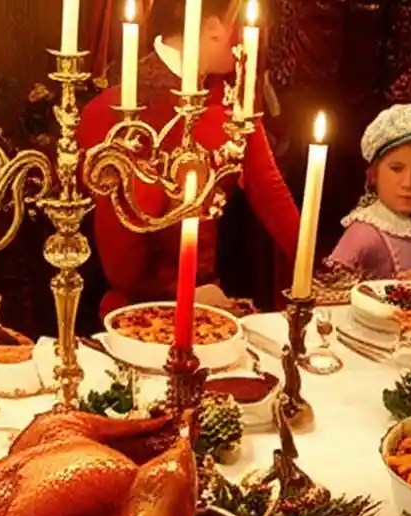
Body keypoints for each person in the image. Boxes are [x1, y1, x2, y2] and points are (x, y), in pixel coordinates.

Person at [79, 0, 300, 317]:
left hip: (208, 301)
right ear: (212, 28)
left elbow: (270, 191)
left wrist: (314, 269)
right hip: (141, 313)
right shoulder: (122, 110)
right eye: (240, 22)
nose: (250, 37)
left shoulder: (230, 103)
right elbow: (121, 255)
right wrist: (182, 292)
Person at [326, 104, 411, 282]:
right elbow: (333, 289)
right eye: (396, 169)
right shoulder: (364, 234)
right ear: (374, 173)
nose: (408, 183)